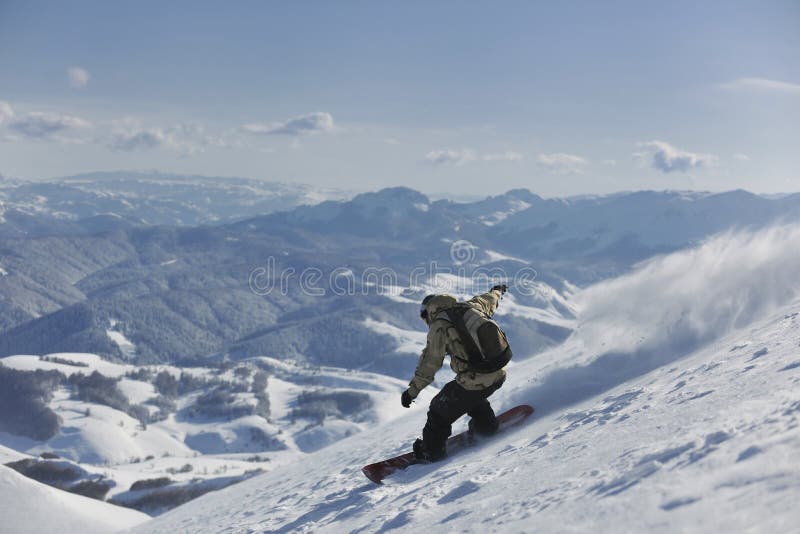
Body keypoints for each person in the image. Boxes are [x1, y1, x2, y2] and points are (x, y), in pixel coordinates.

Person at [401, 284, 510, 462]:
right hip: (498, 373)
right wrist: (498, 290)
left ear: (428, 312)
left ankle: (431, 453)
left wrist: (411, 393)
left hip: (476, 379)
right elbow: (490, 299)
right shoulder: (471, 306)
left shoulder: (439, 325)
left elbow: (430, 363)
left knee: (438, 410)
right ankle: (487, 428)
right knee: (469, 393)